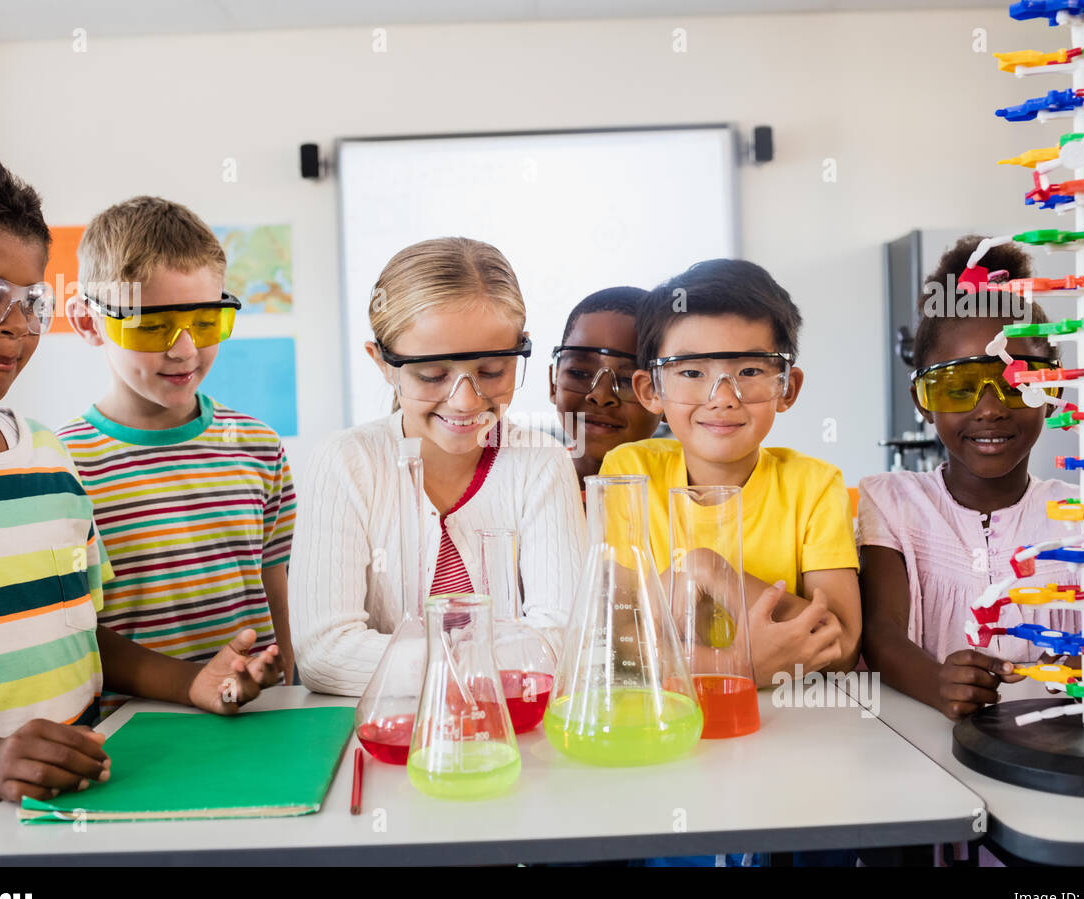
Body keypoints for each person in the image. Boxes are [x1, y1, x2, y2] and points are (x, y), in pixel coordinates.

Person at [0, 156, 279, 865]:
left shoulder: (43, 457)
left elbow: (86, 635)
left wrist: (191, 679)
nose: (12, 325)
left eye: (28, 300)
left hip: (83, 817)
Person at [858, 236, 1084, 721]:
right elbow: (881, 634)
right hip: (926, 761)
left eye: (1019, 382)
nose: (990, 408)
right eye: (959, 386)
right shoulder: (892, 503)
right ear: (923, 398)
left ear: (1052, 391)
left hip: (1065, 763)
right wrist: (937, 682)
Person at [290, 237, 586, 696]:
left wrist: (412, 665)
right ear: (383, 364)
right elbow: (325, 655)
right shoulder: (346, 464)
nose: (466, 400)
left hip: (516, 745)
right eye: (432, 375)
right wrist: (497, 662)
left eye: (492, 371)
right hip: (386, 743)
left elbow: (564, 641)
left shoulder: (541, 465)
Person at [59, 196, 296, 715]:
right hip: (135, 730)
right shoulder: (59, 468)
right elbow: (73, 628)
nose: (185, 350)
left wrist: (291, 685)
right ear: (86, 322)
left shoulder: (258, 446)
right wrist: (189, 682)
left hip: (259, 716)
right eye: (149, 326)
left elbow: (276, 583)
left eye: (206, 321)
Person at [601, 258, 862, 682]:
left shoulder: (813, 484)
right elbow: (619, 640)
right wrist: (741, 665)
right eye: (690, 372)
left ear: (787, 387)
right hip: (672, 718)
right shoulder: (629, 471)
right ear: (651, 390)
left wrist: (710, 570)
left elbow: (840, 646)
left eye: (750, 371)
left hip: (793, 724)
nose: (723, 397)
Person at [549, 286, 661, 492]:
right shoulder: (526, 490)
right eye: (579, 373)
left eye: (628, 381)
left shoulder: (684, 500)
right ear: (553, 383)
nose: (601, 396)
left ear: (668, 396)